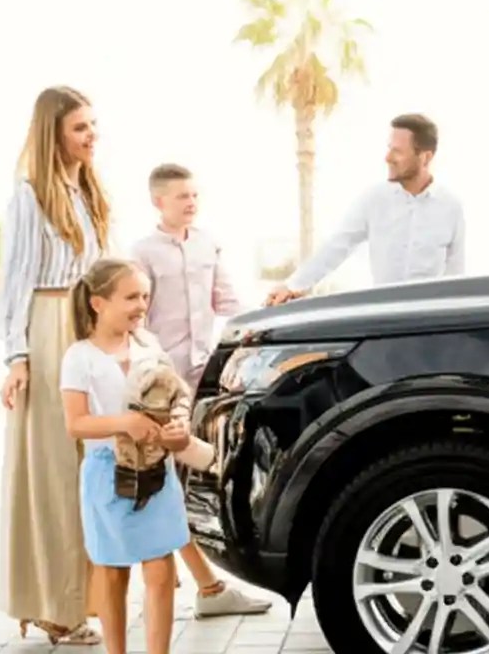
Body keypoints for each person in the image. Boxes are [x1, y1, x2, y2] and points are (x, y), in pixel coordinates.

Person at [0, 86, 115, 645]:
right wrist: (17, 356)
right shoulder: (30, 195)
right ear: (54, 133)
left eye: (93, 125)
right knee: (52, 472)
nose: (91, 135)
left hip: (84, 323)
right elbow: (16, 278)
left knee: (90, 465)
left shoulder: (87, 190)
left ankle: (83, 600)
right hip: (47, 329)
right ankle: (56, 606)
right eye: (79, 128)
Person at [130, 163, 273, 617]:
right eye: (181, 197)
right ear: (159, 201)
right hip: (158, 379)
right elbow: (136, 314)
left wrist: (268, 322)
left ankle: (188, 574)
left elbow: (228, 301)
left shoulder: (209, 244)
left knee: (188, 476)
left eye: (194, 195)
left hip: (200, 376)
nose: (191, 202)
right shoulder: (142, 252)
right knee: (167, 477)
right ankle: (197, 581)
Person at [61, 258, 192, 654]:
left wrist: (180, 423)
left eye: (145, 296)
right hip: (108, 474)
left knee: (160, 567)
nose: (141, 305)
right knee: (113, 570)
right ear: (99, 303)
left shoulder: (149, 346)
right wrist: (124, 423)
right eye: (131, 296)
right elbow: (76, 424)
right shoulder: (80, 357)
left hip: (156, 470)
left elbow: (177, 395)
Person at [264, 113, 465, 305]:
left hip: (429, 328)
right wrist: (292, 285)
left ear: (425, 157)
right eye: (389, 148)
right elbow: (338, 245)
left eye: (398, 151)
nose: (388, 157)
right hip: (383, 322)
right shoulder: (374, 200)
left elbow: (456, 277)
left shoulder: (451, 208)